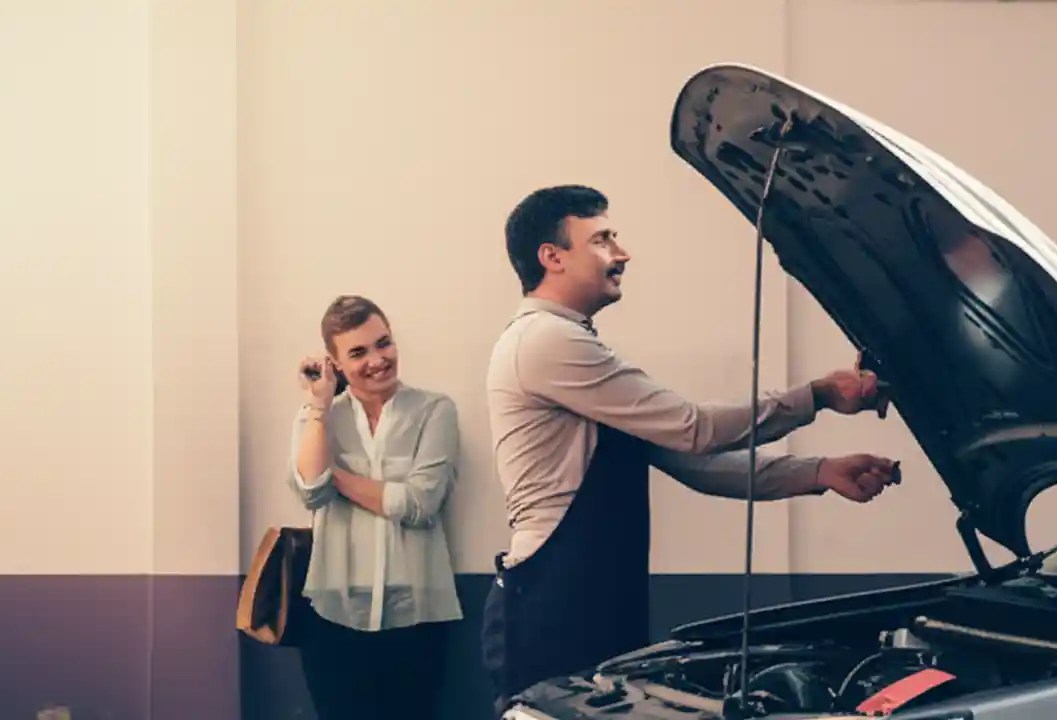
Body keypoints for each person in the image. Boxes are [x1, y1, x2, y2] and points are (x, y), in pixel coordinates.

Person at [481, 185, 901, 714]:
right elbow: (693, 428)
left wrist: (819, 472)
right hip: (550, 610)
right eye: (603, 239)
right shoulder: (545, 342)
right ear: (553, 256)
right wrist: (815, 396)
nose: (623, 253)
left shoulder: (576, 349)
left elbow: (695, 463)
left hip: (591, 603)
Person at [287, 294, 463, 720]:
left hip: (417, 616)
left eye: (383, 343)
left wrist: (337, 477)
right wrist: (319, 405)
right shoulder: (316, 419)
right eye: (358, 352)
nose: (377, 360)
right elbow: (311, 490)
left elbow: (420, 504)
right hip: (333, 617)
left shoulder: (434, 411)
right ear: (336, 363)